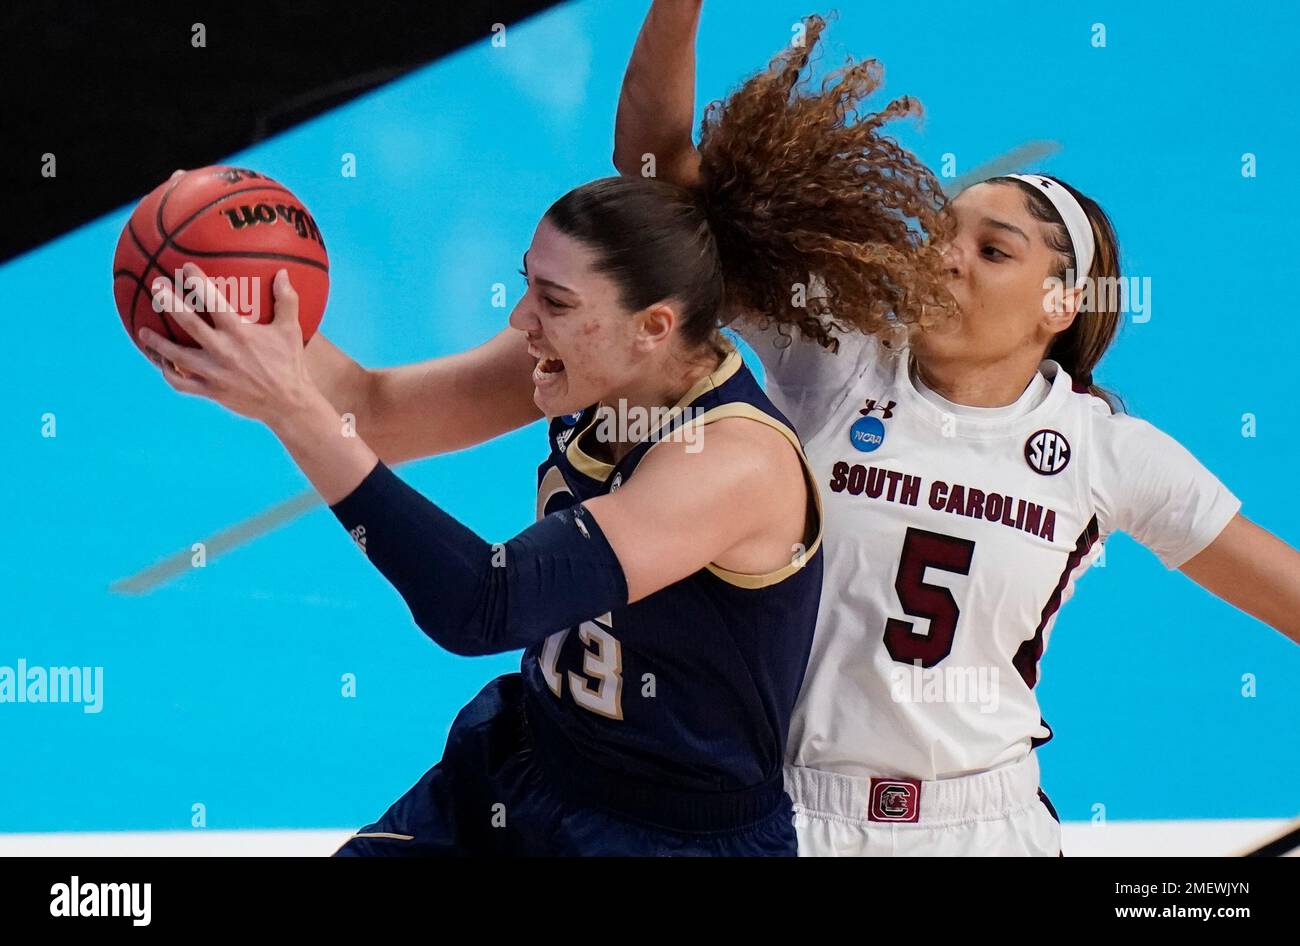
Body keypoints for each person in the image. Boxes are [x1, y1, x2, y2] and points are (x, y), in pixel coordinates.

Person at [138, 20, 953, 855]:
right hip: (524, 766)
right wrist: (237, 299)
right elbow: (375, 413)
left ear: (653, 326)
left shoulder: (733, 463)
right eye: (529, 285)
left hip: (662, 836)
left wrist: (291, 410)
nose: (523, 321)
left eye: (554, 303)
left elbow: (482, 604)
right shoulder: (580, 362)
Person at [611, 1, 1300, 855]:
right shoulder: (832, 357)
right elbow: (655, 174)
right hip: (785, 813)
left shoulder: (1106, 454)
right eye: (942, 233)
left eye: (994, 250)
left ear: (1061, 303)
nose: (945, 255)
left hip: (984, 828)